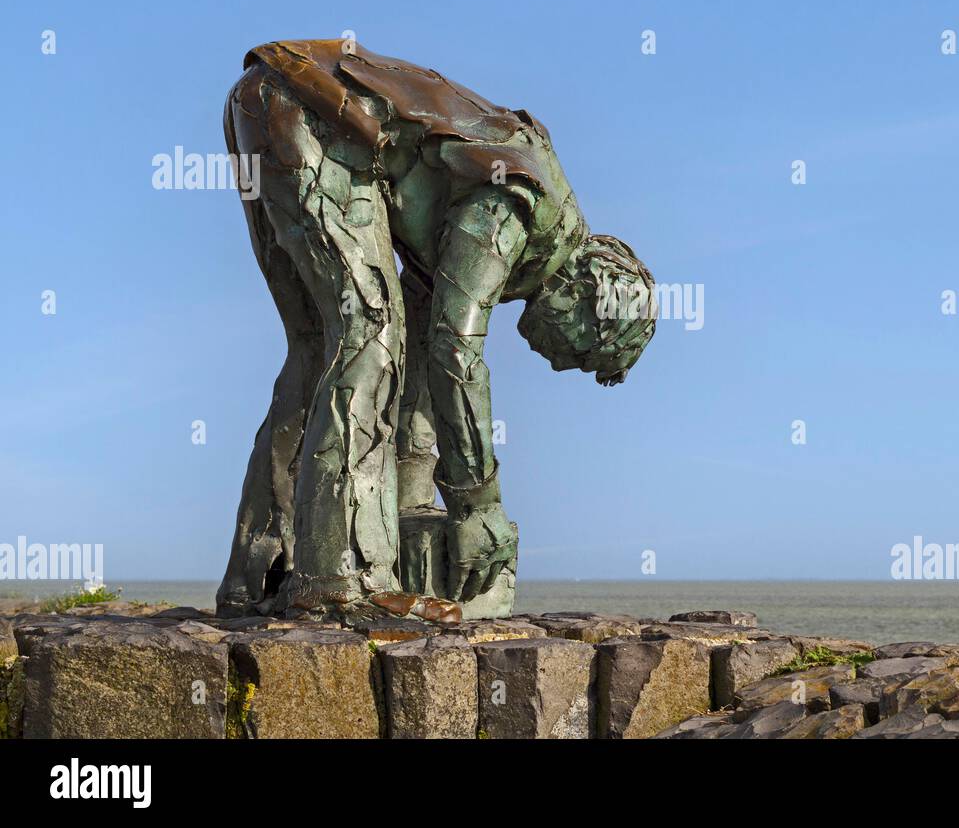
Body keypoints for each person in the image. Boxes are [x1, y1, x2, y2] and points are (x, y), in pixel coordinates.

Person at [216, 40, 656, 617]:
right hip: (319, 110)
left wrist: (418, 497)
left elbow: (425, 362)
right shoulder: (520, 205)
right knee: (369, 333)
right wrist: (478, 506)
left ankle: (260, 574)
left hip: (271, 97)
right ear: (586, 297)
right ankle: (335, 581)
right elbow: (455, 355)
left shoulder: (490, 229)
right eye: (583, 354)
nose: (561, 364)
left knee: (319, 346)